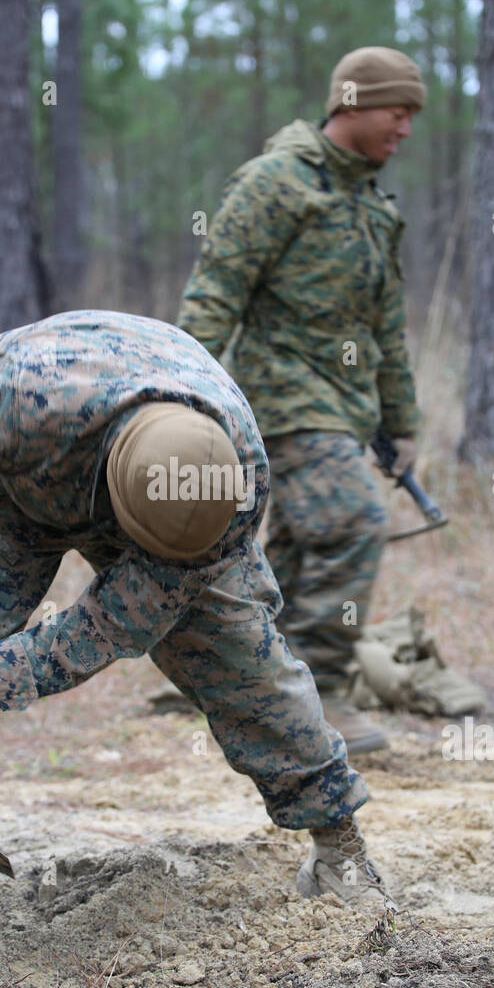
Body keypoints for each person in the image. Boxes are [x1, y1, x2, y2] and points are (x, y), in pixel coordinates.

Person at [0, 310, 390, 988]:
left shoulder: (230, 484)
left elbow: (105, 625)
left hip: (161, 503)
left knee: (242, 655)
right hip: (6, 486)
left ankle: (339, 846)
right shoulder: (13, 405)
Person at [178, 47, 425, 754]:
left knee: (281, 559)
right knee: (354, 521)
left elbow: (388, 330)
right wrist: (180, 396)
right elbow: (216, 292)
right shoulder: (274, 184)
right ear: (352, 103)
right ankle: (320, 694)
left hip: (345, 409)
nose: (406, 128)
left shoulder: (374, 207)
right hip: (280, 397)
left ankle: (241, 685)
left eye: (413, 115)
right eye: (397, 111)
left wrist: (402, 422)